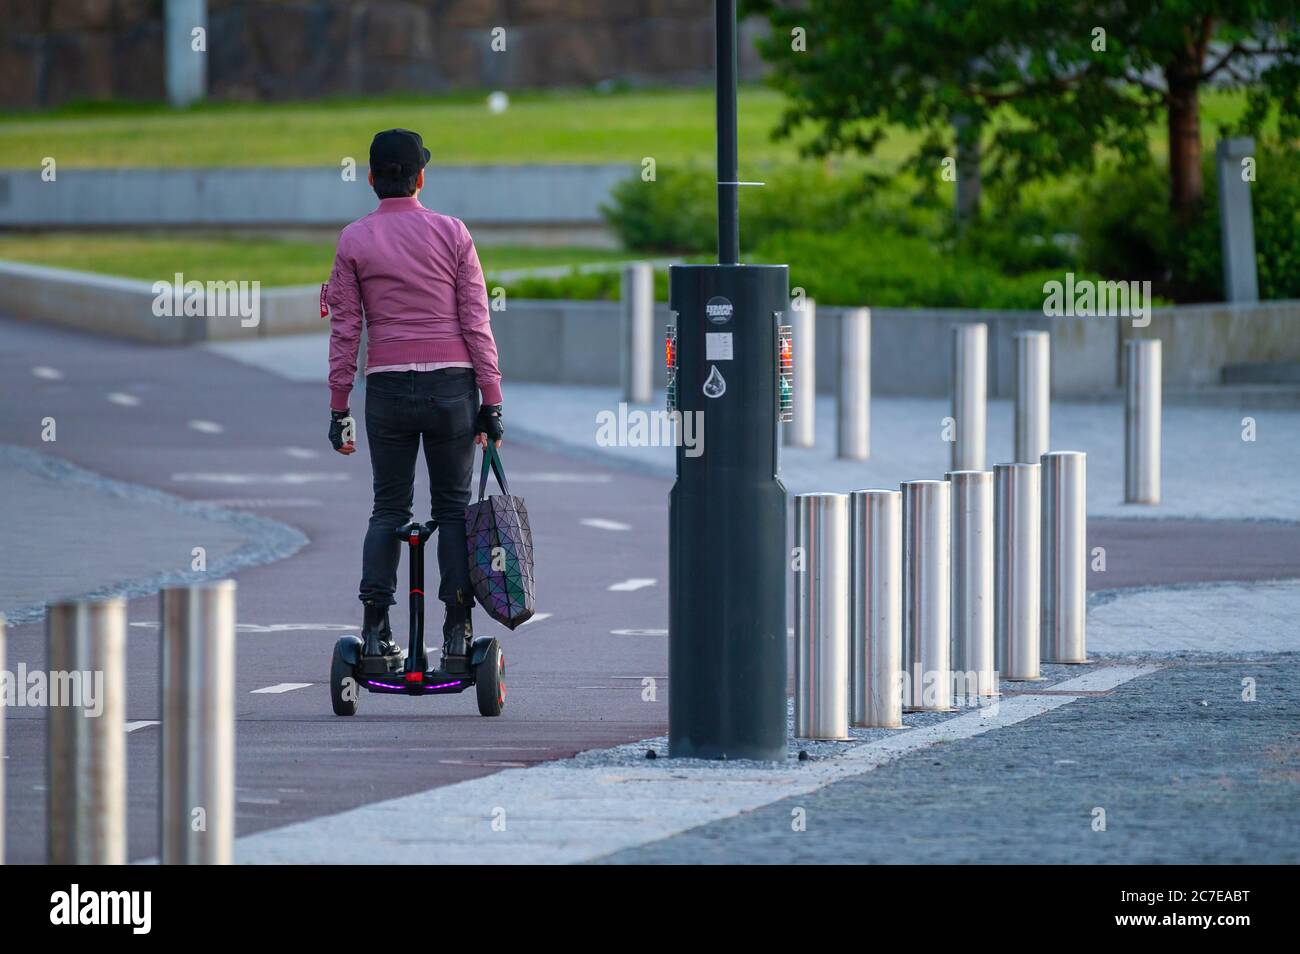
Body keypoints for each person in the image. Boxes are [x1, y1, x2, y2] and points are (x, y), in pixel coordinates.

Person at [325, 128, 504, 669]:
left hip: (387, 390)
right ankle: (455, 633)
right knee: (452, 511)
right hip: (452, 388)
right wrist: (491, 400)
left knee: (388, 509)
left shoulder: (353, 240)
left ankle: (375, 632)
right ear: (421, 178)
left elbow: (345, 331)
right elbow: (476, 320)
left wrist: (339, 409)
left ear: (373, 179)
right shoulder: (453, 233)